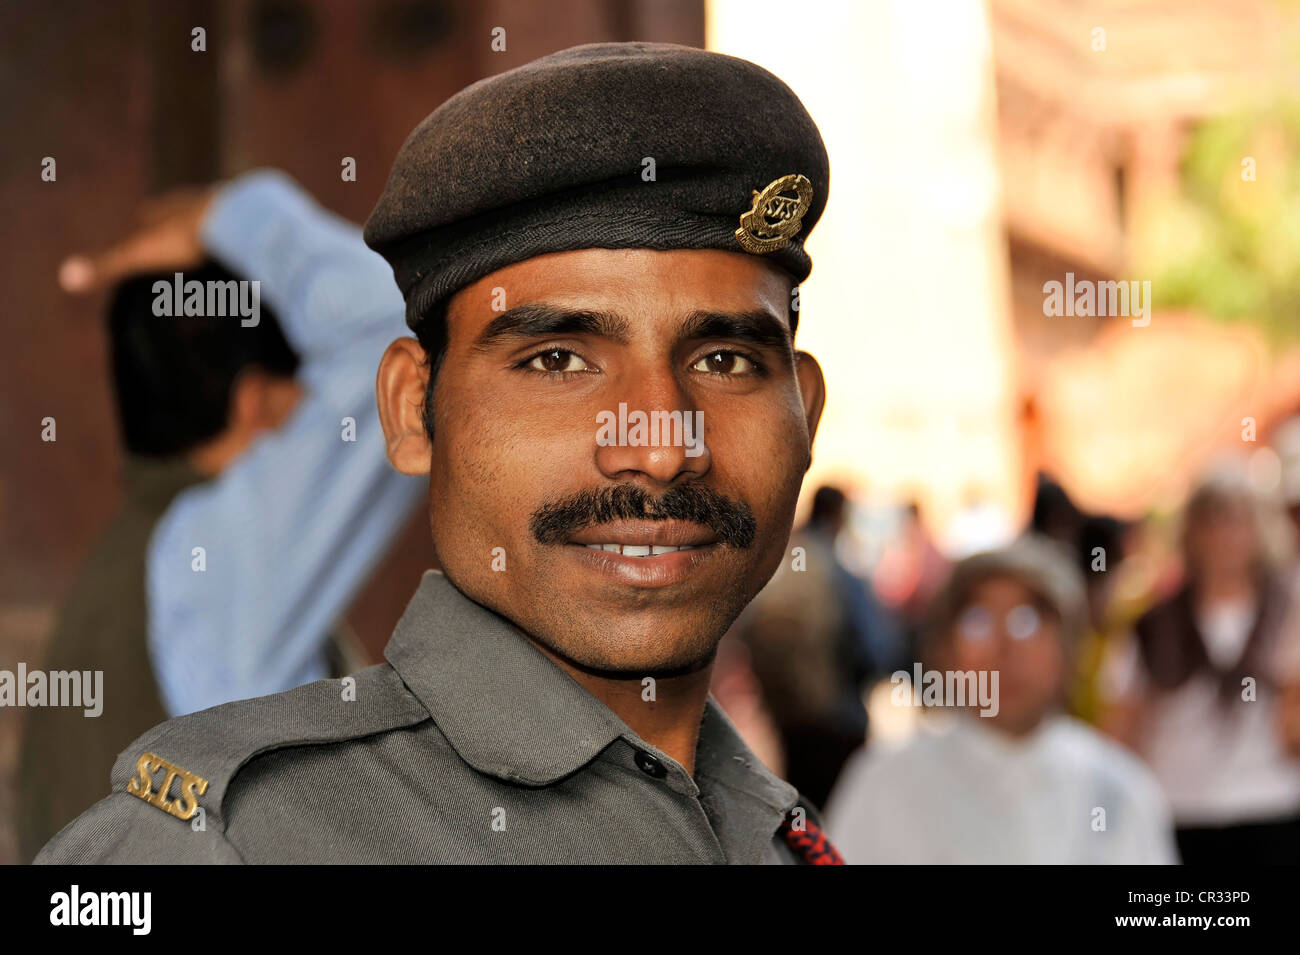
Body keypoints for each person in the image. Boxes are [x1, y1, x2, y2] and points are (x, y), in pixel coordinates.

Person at [38, 42, 842, 864]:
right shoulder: (220, 839)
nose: (661, 448)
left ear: (806, 415)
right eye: (557, 359)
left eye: (726, 360)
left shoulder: (775, 828)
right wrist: (242, 219)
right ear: (410, 411)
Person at [825, 536, 1177, 864]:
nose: (1005, 647)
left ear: (1069, 650)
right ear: (945, 652)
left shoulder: (1120, 796)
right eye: (978, 623)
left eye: (1028, 622)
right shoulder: (884, 785)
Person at [1102, 465, 1300, 863]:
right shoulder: (1152, 624)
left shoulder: (1288, 612)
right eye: (1213, 522)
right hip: (1179, 809)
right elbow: (1123, 729)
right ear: (1191, 532)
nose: (1226, 538)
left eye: (1238, 521)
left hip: (1270, 806)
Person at [732, 485, 902, 807]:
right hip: (835, 715)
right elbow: (876, 646)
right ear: (839, 515)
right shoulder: (837, 569)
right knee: (842, 809)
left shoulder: (783, 560)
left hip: (788, 711)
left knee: (801, 803)